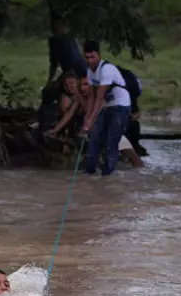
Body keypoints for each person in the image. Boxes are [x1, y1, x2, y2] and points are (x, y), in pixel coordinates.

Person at [80, 40, 133, 176]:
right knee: (95, 138)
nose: (90, 61)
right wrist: (87, 119)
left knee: (112, 141)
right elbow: (91, 97)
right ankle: (89, 172)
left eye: (93, 57)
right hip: (107, 106)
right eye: (87, 58)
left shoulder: (107, 69)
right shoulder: (90, 72)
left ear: (99, 55)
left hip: (121, 106)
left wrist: (91, 120)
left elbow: (99, 97)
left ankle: (106, 176)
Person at [44, 74, 86, 140]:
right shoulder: (73, 99)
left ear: (77, 82)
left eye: (71, 83)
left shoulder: (89, 95)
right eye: (66, 85)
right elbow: (69, 114)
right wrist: (55, 130)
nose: (70, 87)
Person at [47, 15, 87, 83]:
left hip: (79, 72)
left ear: (63, 27)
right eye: (55, 26)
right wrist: (49, 82)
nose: (56, 29)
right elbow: (54, 64)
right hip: (69, 73)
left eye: (59, 26)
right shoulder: (53, 42)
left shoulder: (68, 40)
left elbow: (75, 61)